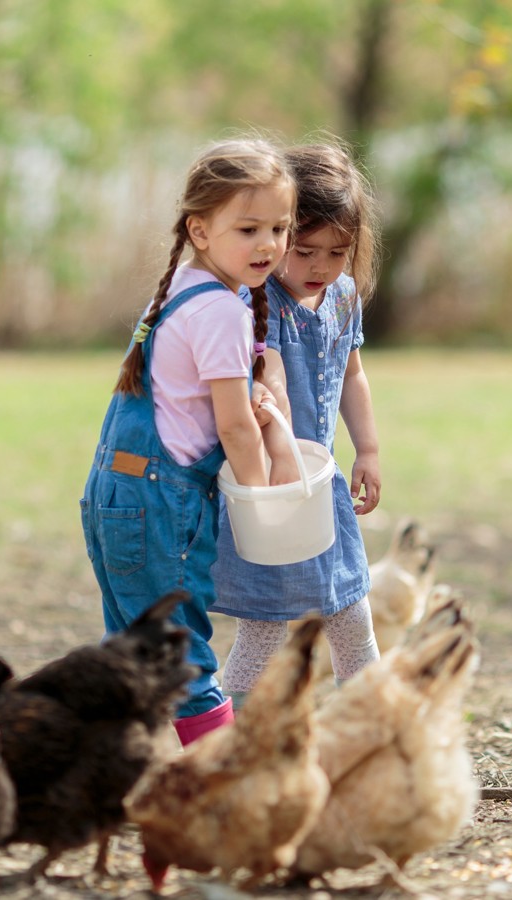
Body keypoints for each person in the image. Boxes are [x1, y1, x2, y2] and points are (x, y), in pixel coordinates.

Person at [80, 137, 299, 745]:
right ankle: (221, 790)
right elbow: (231, 426)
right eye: (248, 228)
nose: (268, 245)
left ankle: (110, 775)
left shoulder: (179, 284)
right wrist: (262, 499)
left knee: (130, 654)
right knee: (183, 659)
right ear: (200, 230)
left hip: (112, 494)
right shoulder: (224, 311)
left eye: (279, 228)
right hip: (160, 508)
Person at [211, 139, 384, 707]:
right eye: (305, 250)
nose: (320, 267)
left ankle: (372, 729)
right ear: (281, 234)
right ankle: (227, 734)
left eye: (337, 253)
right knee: (265, 628)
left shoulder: (343, 298)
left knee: (351, 614)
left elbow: (352, 375)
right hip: (274, 491)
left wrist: (368, 449)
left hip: (323, 484)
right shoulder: (255, 307)